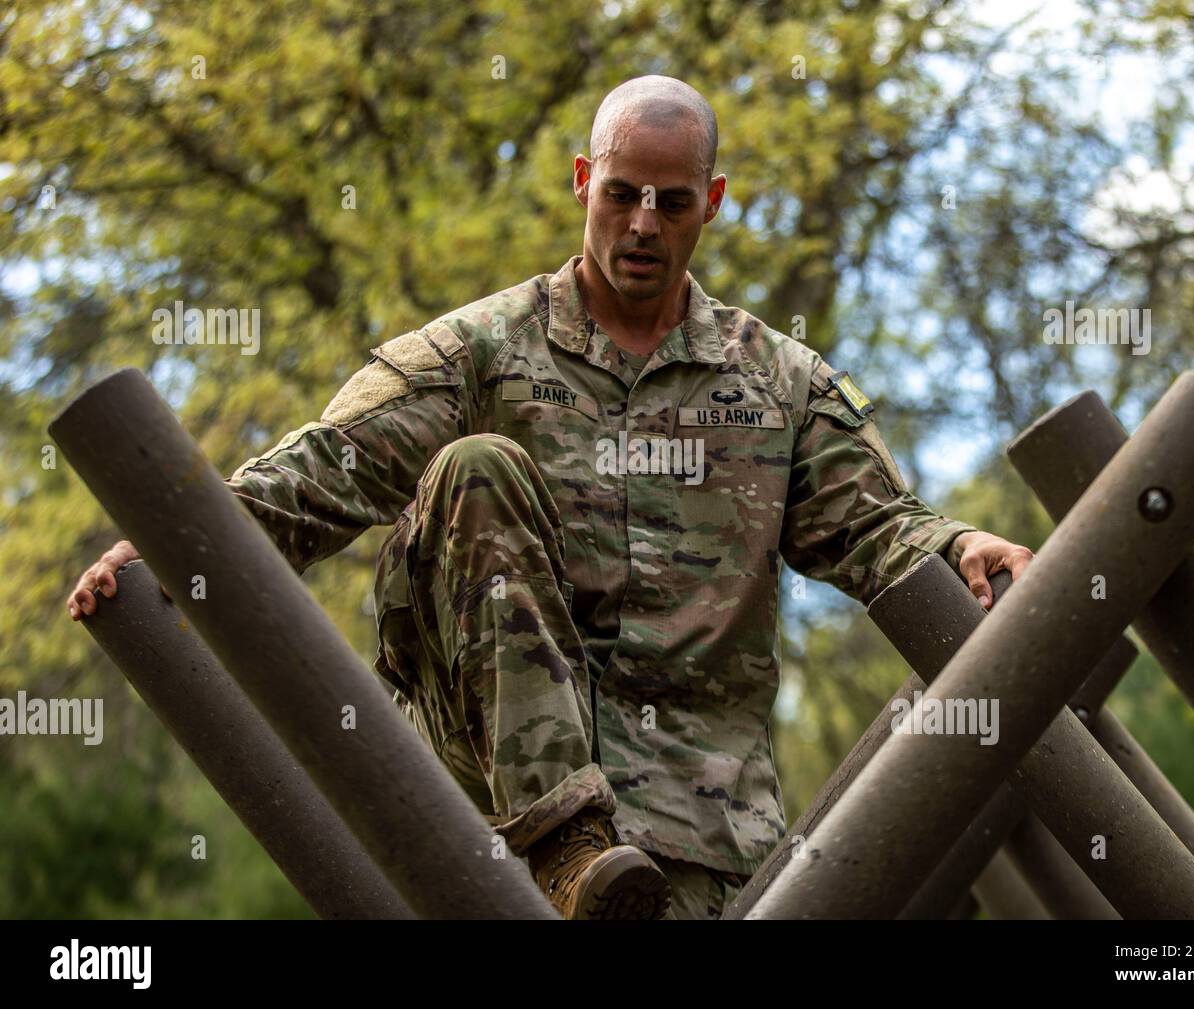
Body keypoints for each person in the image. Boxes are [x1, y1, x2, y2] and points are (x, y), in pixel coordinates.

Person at [68, 75, 1034, 920]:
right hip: (481, 823)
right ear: (584, 182)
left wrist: (961, 548)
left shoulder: (776, 384)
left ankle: (597, 859)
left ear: (715, 202)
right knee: (474, 465)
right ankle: (564, 835)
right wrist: (175, 539)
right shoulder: (481, 351)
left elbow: (875, 524)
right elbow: (323, 471)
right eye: (621, 195)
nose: (644, 224)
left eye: (672, 201)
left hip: (696, 836)